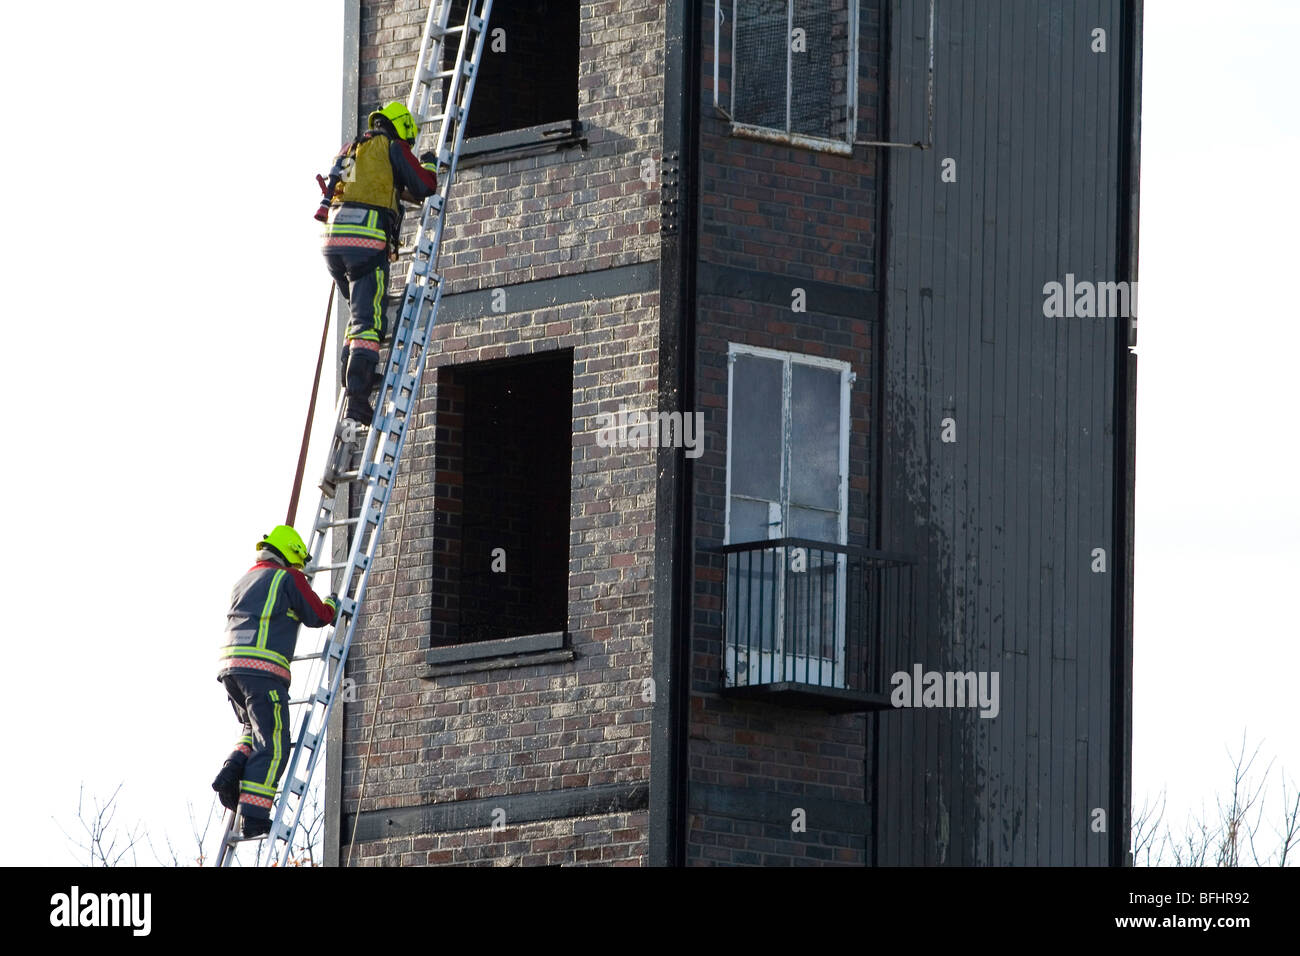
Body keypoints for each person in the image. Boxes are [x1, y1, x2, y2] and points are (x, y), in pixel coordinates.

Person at [315, 101, 439, 424]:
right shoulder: (394, 147)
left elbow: (348, 188)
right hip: (365, 243)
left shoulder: (353, 147)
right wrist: (430, 165)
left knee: (360, 312)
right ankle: (357, 397)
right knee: (369, 325)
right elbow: (424, 185)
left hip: (333, 244)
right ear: (401, 130)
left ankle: (351, 374)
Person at [212, 526, 338, 838]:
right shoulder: (288, 578)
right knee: (275, 744)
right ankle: (254, 816)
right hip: (262, 672)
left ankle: (231, 772)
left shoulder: (245, 579)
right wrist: (335, 603)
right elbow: (318, 615)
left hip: (231, 670)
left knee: (251, 731)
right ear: (292, 555)